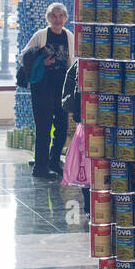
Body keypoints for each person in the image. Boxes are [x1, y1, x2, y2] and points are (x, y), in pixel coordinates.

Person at [19, 2, 74, 179]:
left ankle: (54, 160)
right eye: (53, 16)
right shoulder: (41, 35)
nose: (57, 19)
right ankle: (40, 166)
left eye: (61, 16)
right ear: (48, 18)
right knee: (44, 126)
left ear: (66, 18)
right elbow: (23, 56)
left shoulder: (69, 36)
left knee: (62, 125)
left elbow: (71, 61)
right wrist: (41, 62)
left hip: (61, 87)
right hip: (42, 87)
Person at [58, 58, 91, 214]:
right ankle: (92, 209)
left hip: (110, 125)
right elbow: (66, 102)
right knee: (88, 167)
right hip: (87, 126)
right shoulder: (78, 67)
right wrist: (79, 94)